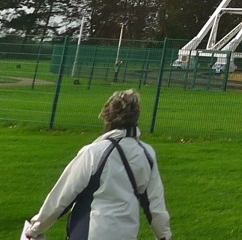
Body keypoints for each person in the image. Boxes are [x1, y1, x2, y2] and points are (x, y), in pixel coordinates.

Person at [23, 88, 172, 240]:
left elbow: (62, 198)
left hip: (90, 232)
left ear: (106, 115)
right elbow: (155, 206)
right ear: (136, 117)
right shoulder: (146, 154)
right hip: (126, 234)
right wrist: (164, 236)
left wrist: (35, 229)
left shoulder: (93, 152)